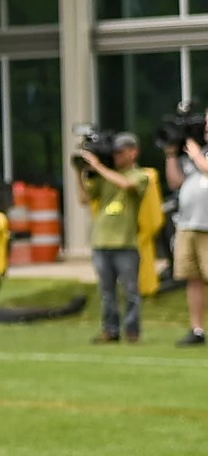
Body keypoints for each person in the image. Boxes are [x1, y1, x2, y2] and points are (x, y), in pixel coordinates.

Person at [77, 132, 156, 343]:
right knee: (106, 292)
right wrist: (80, 173)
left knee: (130, 291)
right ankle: (110, 330)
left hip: (125, 243)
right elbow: (84, 198)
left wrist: (99, 167)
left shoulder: (140, 175)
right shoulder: (106, 177)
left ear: (134, 152)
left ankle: (132, 331)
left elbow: (127, 185)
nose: (117, 157)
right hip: (101, 242)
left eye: (120, 152)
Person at [166, 134, 208, 346]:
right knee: (193, 279)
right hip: (187, 225)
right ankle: (197, 329)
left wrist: (197, 155)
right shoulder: (198, 153)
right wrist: (172, 154)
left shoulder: (198, 154)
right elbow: (176, 182)